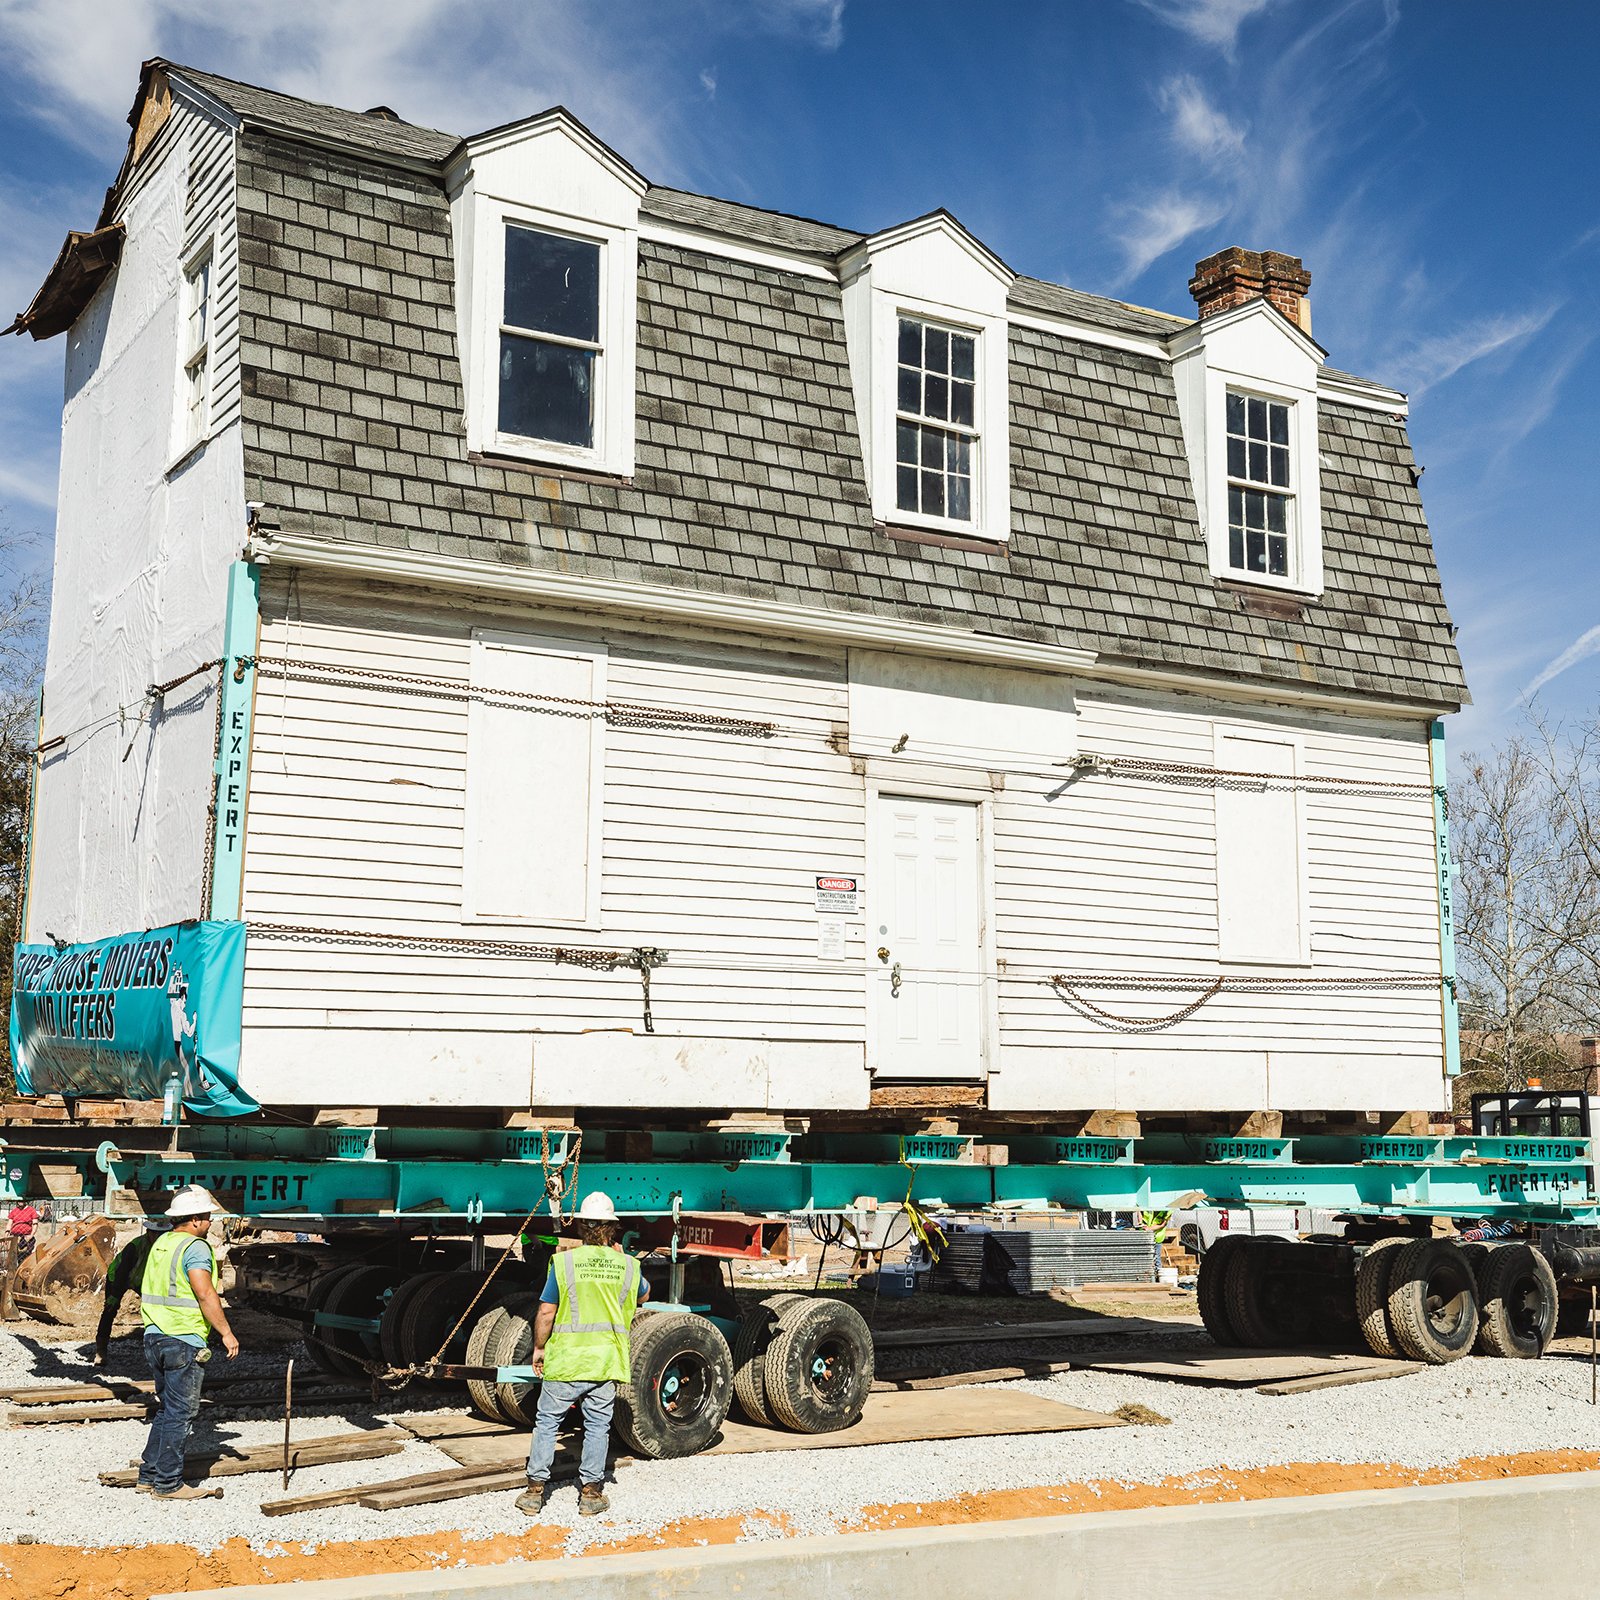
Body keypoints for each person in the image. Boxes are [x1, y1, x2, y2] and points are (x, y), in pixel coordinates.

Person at [518, 1191, 647, 1517]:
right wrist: (620, 1258)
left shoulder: (565, 1264)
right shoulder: (628, 1266)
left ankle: (534, 1493)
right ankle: (591, 1494)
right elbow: (644, 1295)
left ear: (581, 1227)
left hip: (567, 1361)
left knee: (547, 1422)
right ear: (612, 1229)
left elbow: (547, 1311)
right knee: (597, 1426)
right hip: (604, 1361)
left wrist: (539, 1347)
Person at [135, 1186, 240, 1499]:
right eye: (207, 1217)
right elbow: (204, 1293)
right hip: (182, 1338)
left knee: (167, 1409)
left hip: (154, 1335)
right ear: (194, 1219)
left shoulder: (162, 1243)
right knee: (180, 1413)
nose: (210, 1222)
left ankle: (148, 1475)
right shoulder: (195, 1247)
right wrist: (226, 1332)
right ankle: (168, 1484)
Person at [94, 1216, 168, 1366]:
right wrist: (114, 1295)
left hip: (142, 1280)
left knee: (155, 1311)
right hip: (119, 1277)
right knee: (110, 1310)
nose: (158, 1236)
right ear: (148, 1232)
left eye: (161, 1233)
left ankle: (158, 1348)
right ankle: (101, 1351)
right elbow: (122, 1270)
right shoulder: (135, 1246)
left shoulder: (165, 1246)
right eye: (155, 1233)